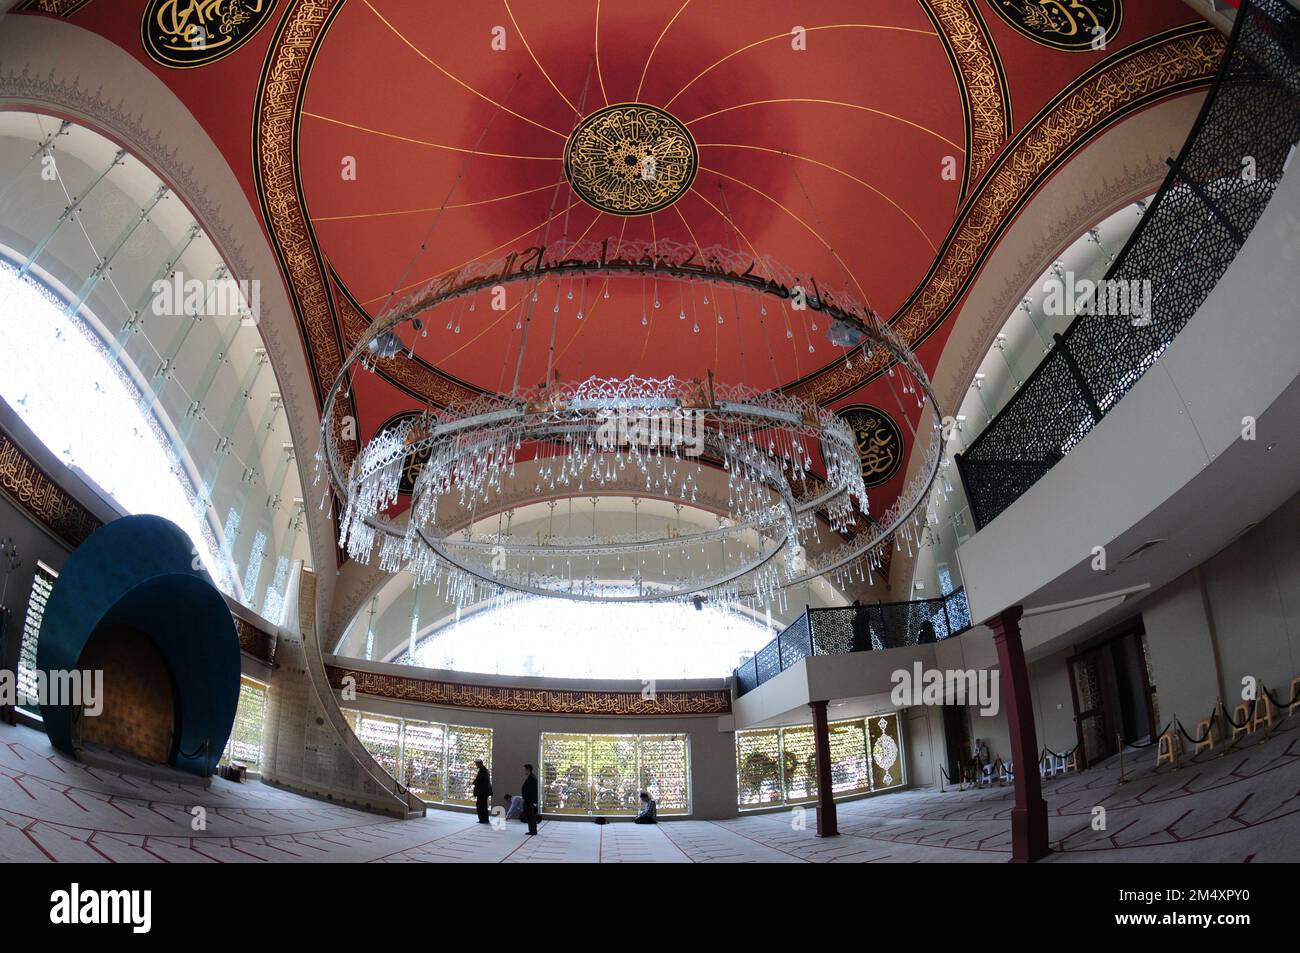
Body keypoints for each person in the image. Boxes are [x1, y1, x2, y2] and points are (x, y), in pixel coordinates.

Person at [521, 763, 540, 835]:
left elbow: (530, 790)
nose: (524, 771)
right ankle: (532, 830)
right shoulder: (531, 777)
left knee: (530, 815)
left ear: (528, 769)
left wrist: (525, 798)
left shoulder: (531, 778)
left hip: (529, 800)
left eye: (524, 769)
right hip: (529, 799)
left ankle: (533, 830)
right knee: (529, 815)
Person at [472, 759, 492, 824]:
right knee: (483, 805)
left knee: (480, 806)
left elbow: (479, 781)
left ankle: (482, 819)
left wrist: (473, 782)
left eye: (476, 764)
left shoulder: (482, 771)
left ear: (479, 764)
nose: (476, 765)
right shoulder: (484, 770)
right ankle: (485, 819)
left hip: (482, 792)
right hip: (484, 792)